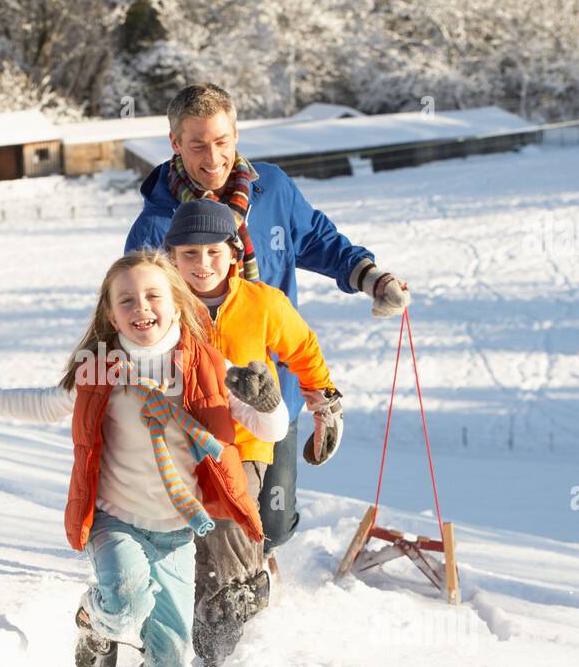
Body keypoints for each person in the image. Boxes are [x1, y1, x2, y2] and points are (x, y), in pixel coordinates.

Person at [0, 250, 287, 667]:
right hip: (117, 520)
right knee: (127, 600)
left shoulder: (208, 366)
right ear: (111, 313)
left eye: (153, 296)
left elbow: (271, 431)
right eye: (126, 300)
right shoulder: (100, 368)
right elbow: (47, 404)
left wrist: (269, 402)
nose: (141, 308)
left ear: (177, 301)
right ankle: (96, 620)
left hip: (176, 532)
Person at [125, 82, 412, 565]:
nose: (212, 157)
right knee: (207, 518)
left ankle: (260, 556)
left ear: (236, 134)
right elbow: (134, 314)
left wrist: (371, 277)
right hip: (195, 401)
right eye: (196, 145)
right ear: (175, 143)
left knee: (273, 523)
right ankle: (218, 595)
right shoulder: (156, 227)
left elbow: (320, 240)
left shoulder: (272, 190)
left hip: (272, 392)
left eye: (222, 141)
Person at [163, 198, 342, 667]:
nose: (202, 265)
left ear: (233, 254)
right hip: (182, 441)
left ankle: (241, 608)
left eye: (213, 253)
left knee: (226, 513)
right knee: (199, 543)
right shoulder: (165, 308)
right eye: (189, 254)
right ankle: (208, 644)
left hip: (246, 441)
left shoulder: (263, 303)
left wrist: (324, 398)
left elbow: (302, 347)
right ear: (172, 257)